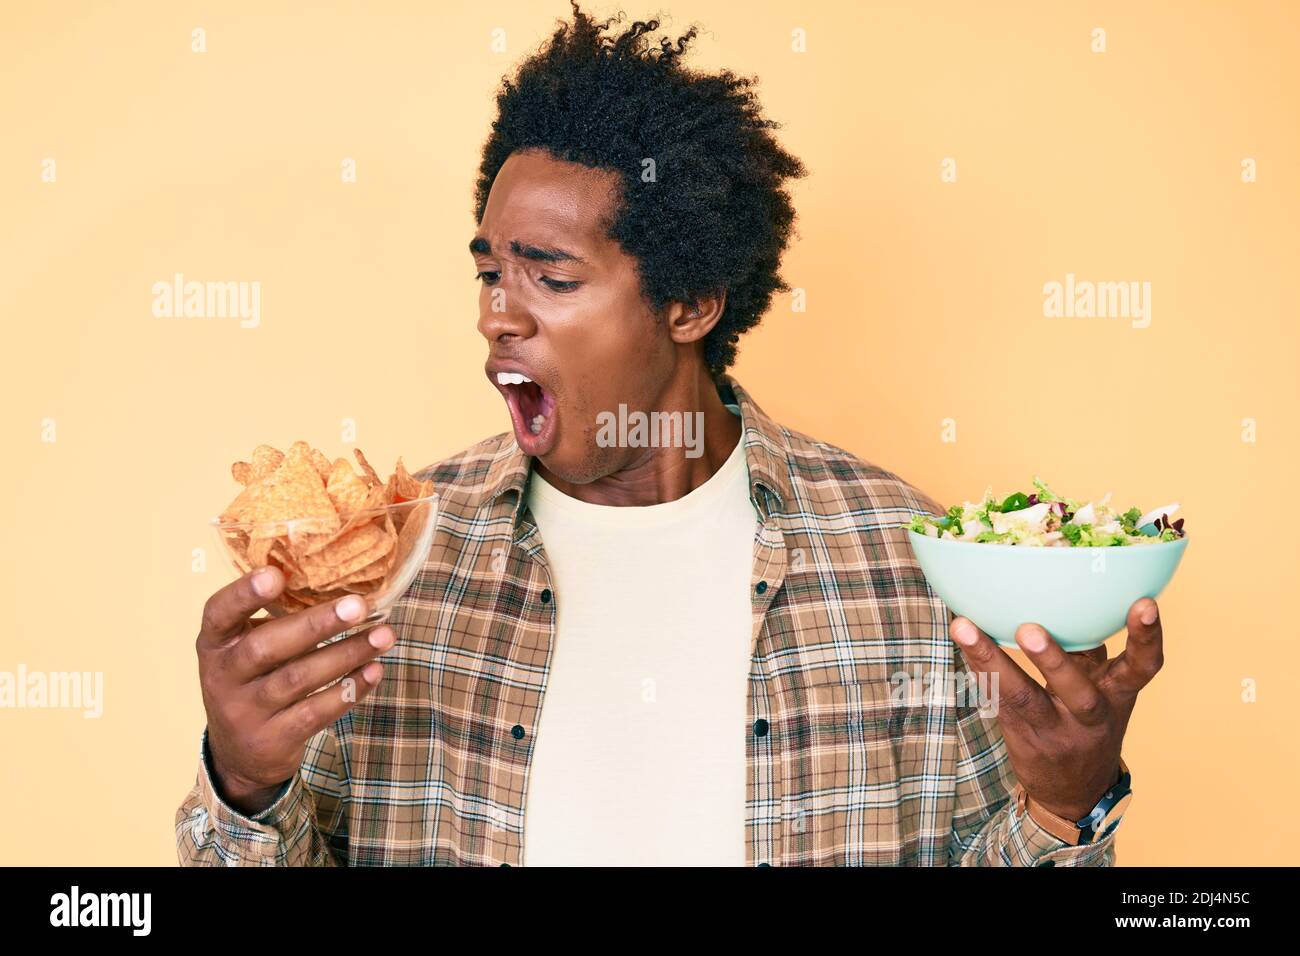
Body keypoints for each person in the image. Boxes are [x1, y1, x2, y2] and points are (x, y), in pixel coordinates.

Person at [176, 2, 1159, 866]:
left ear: (689, 303)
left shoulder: (907, 560)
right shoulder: (398, 563)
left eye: (551, 276)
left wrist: (1066, 806)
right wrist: (244, 783)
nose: (498, 316)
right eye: (491, 273)